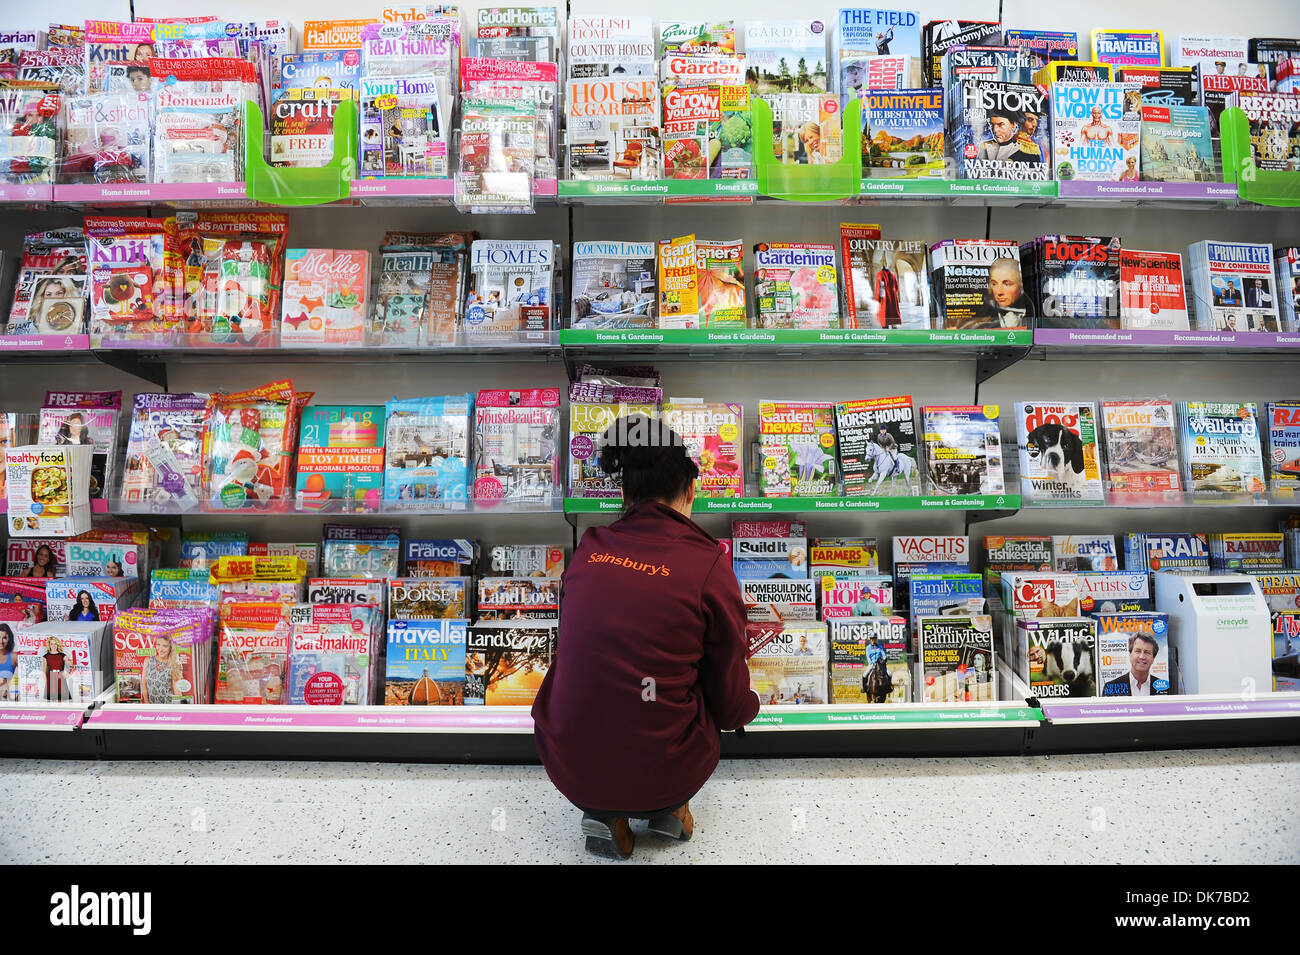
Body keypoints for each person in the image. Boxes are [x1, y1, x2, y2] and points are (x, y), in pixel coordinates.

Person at [531, 415, 760, 860]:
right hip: (663, 764)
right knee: (690, 687)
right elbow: (730, 701)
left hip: (566, 762)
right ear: (691, 493)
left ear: (622, 495)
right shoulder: (709, 567)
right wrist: (747, 709)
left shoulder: (588, 550)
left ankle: (603, 813)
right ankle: (669, 808)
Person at [967, 257, 1033, 327]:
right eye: (994, 284)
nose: (999, 292)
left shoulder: (1031, 310)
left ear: (1021, 285)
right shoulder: (981, 318)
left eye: (1007, 284)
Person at [142, 634, 179, 704]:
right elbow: (144, 684)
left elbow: (177, 690)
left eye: (164, 646)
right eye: (158, 644)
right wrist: (147, 704)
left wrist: (182, 709)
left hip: (168, 705)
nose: (160, 649)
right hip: (152, 705)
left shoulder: (173, 664)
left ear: (170, 648)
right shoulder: (148, 660)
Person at [43, 636, 70, 701]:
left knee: (61, 699)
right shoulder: (46, 656)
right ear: (49, 645)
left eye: (55, 643)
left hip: (60, 677)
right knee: (53, 699)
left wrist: (68, 673)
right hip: (51, 678)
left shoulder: (62, 655)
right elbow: (44, 671)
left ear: (57, 645)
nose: (53, 645)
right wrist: (46, 682)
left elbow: (71, 665)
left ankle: (61, 710)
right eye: (51, 644)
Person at [0, 624, 17, 691]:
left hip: (7, 698)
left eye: (4, 637)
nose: (1, 642)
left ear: (9, 639)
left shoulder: (14, 657)